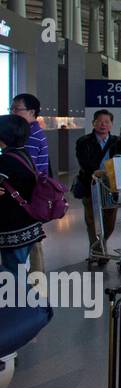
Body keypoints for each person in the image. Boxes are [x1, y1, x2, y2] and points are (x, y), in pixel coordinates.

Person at [76, 110, 121, 253]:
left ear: (111, 124)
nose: (103, 125)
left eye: (106, 122)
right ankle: (97, 251)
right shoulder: (84, 141)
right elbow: (84, 162)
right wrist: (97, 173)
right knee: (92, 219)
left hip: (111, 185)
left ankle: (100, 244)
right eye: (100, 121)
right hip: (90, 183)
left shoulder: (117, 141)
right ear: (93, 123)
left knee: (110, 219)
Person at [0, 114, 45, 276]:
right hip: (28, 224)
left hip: (14, 228)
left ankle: (30, 302)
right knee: (18, 271)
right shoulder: (23, 153)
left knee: (13, 273)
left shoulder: (6, 160)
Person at [10, 94, 48, 175]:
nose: (12, 113)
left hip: (30, 185)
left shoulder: (31, 134)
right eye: (11, 109)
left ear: (31, 112)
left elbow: (25, 167)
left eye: (16, 109)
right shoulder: (31, 130)